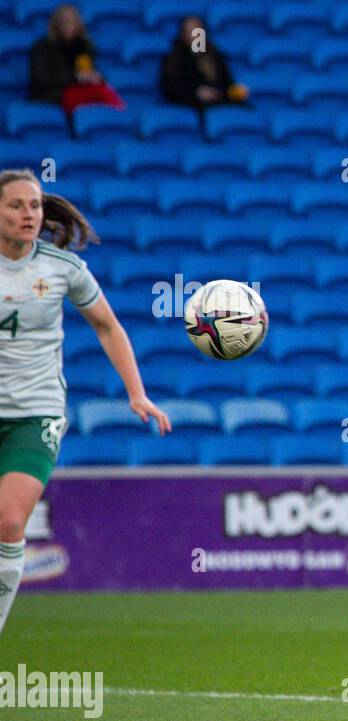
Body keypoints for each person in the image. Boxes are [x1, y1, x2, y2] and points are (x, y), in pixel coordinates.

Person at [0, 169, 171, 635]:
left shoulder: (62, 268)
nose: (28, 214)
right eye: (16, 205)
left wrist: (137, 393)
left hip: (35, 413)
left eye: (34, 205)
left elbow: (107, 326)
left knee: (10, 520)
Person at [27, 4, 125, 113]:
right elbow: (41, 80)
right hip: (52, 95)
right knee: (98, 94)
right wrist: (75, 78)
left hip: (77, 91)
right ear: (55, 23)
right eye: (63, 21)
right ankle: (120, 113)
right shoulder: (42, 48)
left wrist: (95, 77)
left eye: (71, 21)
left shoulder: (83, 47)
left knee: (102, 89)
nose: (67, 25)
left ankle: (119, 115)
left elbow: (88, 71)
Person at [160, 15, 249, 111]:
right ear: (183, 34)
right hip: (193, 105)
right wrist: (196, 92)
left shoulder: (214, 54)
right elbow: (171, 88)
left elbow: (227, 82)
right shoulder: (174, 58)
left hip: (220, 101)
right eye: (191, 31)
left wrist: (234, 91)